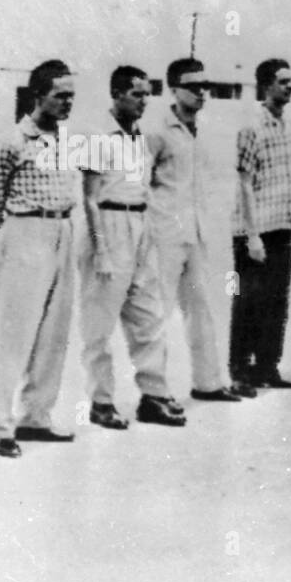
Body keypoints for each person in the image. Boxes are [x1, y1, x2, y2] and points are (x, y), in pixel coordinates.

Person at [0, 60, 82, 459]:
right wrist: (4, 244)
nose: (67, 102)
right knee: (13, 335)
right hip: (23, 233)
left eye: (71, 95)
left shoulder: (66, 140)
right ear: (38, 95)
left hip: (62, 232)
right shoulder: (12, 141)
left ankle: (36, 417)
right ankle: (1, 427)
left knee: (53, 334)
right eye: (60, 95)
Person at [78, 65, 184, 430]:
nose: (144, 101)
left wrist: (149, 235)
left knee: (149, 315)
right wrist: (102, 250)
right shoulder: (97, 135)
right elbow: (90, 198)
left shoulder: (140, 136)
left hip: (140, 226)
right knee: (100, 322)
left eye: (147, 94)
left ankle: (153, 396)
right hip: (108, 226)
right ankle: (101, 401)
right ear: (118, 94)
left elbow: (145, 188)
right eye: (137, 94)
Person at [147, 58, 256, 402]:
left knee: (203, 308)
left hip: (198, 233)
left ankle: (208, 383)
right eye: (193, 86)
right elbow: (141, 183)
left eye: (205, 86)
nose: (201, 93)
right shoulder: (156, 130)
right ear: (173, 89)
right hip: (164, 234)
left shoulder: (205, 131)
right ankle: (154, 393)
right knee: (157, 313)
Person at [231, 58, 291, 390]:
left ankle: (268, 366)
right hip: (254, 230)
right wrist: (252, 236)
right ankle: (241, 370)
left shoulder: (289, 127)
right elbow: (245, 182)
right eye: (283, 82)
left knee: (278, 301)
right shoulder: (251, 126)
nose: (289, 88)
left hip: (282, 226)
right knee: (249, 301)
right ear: (266, 86)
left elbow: (289, 178)